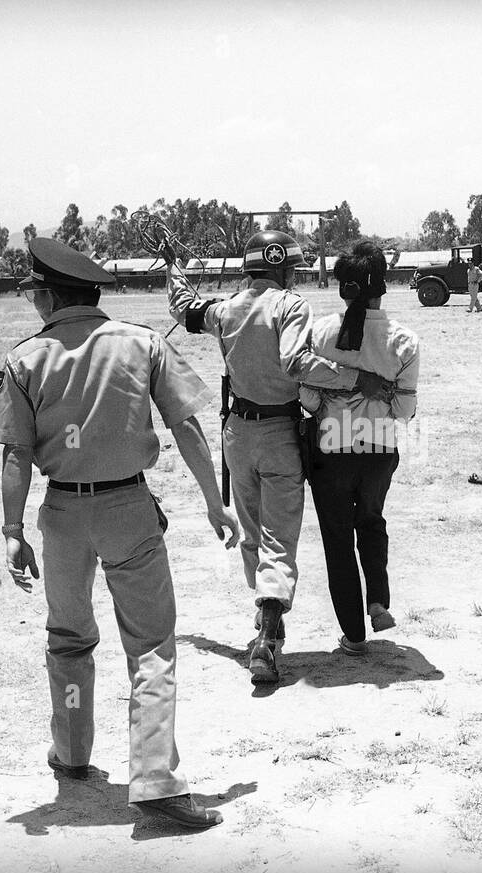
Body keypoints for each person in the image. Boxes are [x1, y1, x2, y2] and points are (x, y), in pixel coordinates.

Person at [0, 237, 238, 829]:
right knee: (150, 646)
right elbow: (188, 427)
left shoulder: (26, 358)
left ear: (47, 294)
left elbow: (16, 454)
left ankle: (72, 754)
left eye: (32, 292)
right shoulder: (142, 342)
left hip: (62, 516)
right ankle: (154, 781)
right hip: (128, 509)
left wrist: (13, 530)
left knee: (67, 637)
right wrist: (213, 503)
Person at [166, 229, 392, 686]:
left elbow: (182, 307)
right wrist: (353, 379)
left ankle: (268, 618)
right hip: (279, 434)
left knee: (253, 539)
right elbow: (295, 363)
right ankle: (268, 638)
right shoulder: (292, 306)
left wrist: (172, 263)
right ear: (283, 268)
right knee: (277, 541)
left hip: (237, 434)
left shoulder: (226, 308)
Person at [300, 241, 420, 653]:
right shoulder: (404, 341)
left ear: (342, 289)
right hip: (379, 446)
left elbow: (308, 399)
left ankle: (353, 636)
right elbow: (404, 409)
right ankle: (378, 601)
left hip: (331, 447)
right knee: (371, 521)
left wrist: (333, 399)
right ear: (382, 287)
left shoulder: (318, 333)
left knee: (337, 540)